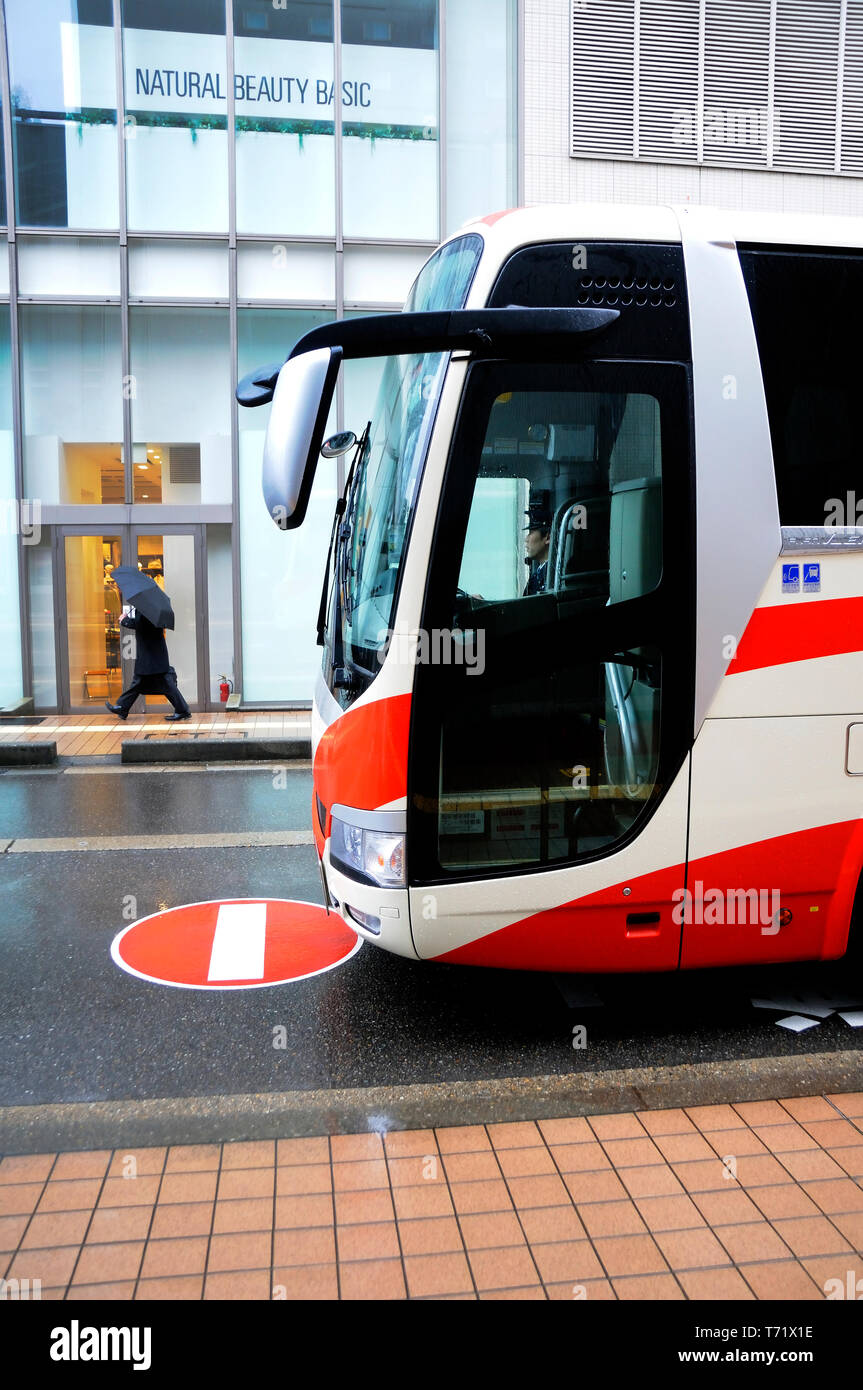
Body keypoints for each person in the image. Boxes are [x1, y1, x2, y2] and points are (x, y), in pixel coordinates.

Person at [105, 606, 192, 721]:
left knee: (159, 683)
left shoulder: (148, 609)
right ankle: (122, 707)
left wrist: (124, 620)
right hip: (151, 653)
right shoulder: (149, 607)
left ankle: (183, 710)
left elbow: (142, 625)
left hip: (152, 654)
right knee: (140, 682)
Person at [523, 495, 553, 595]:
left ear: (547, 538)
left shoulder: (552, 577)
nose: (526, 539)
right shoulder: (536, 577)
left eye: (531, 533)